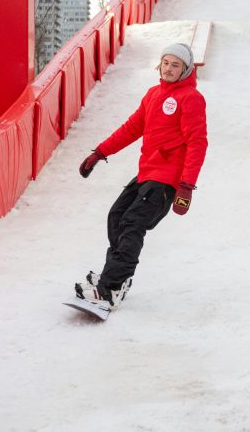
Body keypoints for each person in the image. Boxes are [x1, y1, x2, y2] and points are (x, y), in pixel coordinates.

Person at [75, 42, 208, 311]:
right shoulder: (153, 94)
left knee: (133, 223)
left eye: (176, 65)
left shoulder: (190, 98)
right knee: (117, 216)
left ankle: (110, 288)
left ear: (185, 70)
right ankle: (116, 277)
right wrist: (99, 153)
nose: (169, 69)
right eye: (166, 63)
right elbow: (132, 128)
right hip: (147, 172)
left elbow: (197, 142)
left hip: (168, 178)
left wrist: (186, 186)